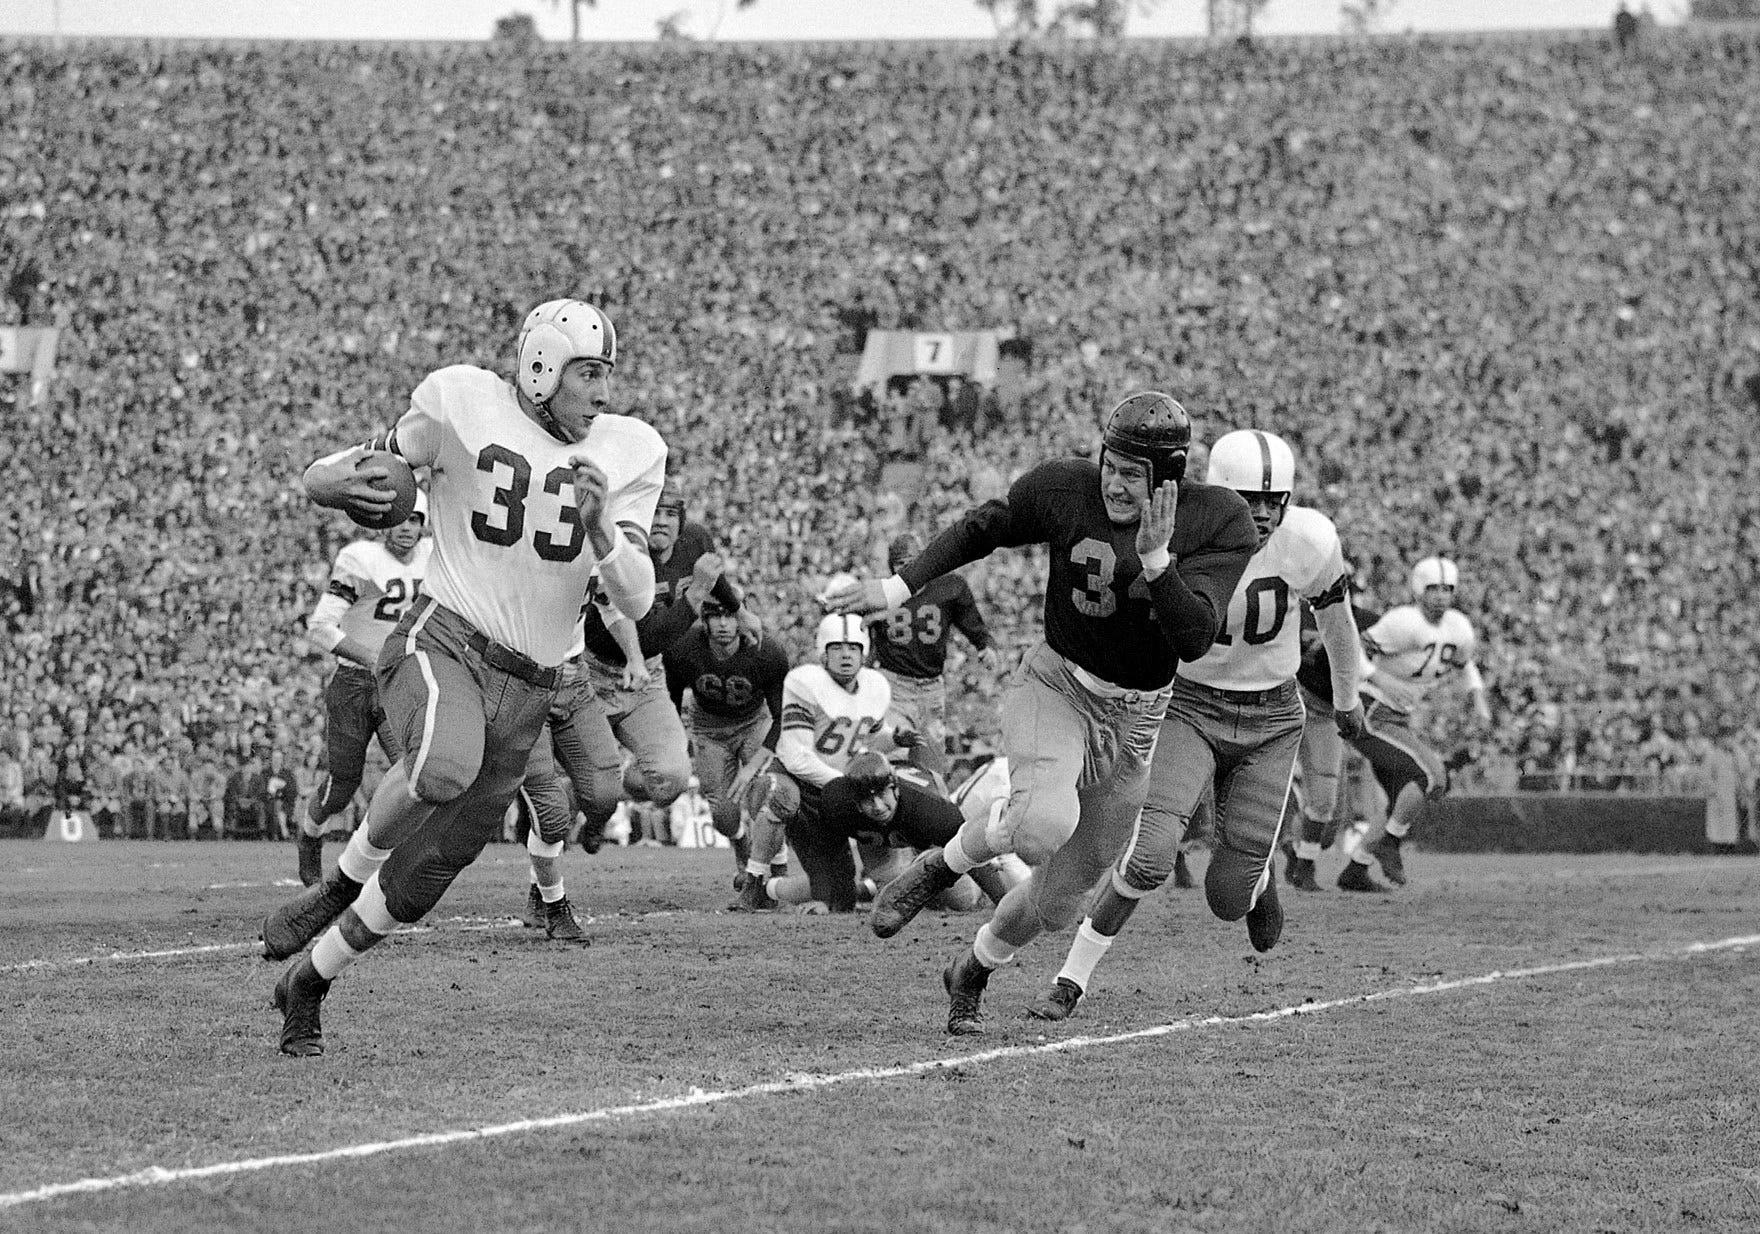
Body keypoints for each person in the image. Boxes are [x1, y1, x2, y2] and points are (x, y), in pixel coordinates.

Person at [261, 297, 665, 1057]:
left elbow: (638, 598)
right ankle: (340, 881)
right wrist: (329, 487)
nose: (603, 392)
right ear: (542, 368)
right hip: (446, 638)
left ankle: (310, 980)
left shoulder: (633, 448)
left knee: (426, 876)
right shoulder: (462, 400)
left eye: (606, 374)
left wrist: (603, 528)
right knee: (443, 765)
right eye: (588, 373)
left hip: (534, 684)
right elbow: (335, 468)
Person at [828, 391, 1257, 1035]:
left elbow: (1194, 637)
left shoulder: (1218, 521)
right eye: (1110, 465)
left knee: (1057, 905)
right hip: (1057, 685)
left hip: (1138, 721)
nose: (1113, 483)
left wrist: (1158, 559)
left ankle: (972, 968)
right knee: (1038, 827)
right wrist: (896, 587)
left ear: (1168, 476)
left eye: (1132, 473)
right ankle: (943, 864)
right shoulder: (1066, 488)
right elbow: (984, 527)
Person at [1029, 429, 1368, 1021]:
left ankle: (1259, 881)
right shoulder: (1176, 531)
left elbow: (1338, 626)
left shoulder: (1310, 540)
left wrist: (1346, 697)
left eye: (1273, 501)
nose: (1262, 514)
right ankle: (1071, 978)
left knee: (1227, 896)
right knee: (1150, 855)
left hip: (1272, 719)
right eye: (1248, 500)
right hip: (1188, 705)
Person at [731, 612, 911, 910]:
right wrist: (846, 783)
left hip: (836, 793)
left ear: (864, 653)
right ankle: (753, 879)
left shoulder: (874, 686)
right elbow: (797, 757)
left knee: (839, 898)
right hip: (797, 784)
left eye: (853, 648)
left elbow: (869, 737)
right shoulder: (805, 682)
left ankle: (771, 889)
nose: (846, 655)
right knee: (781, 795)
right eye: (837, 648)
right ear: (823, 653)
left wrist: (895, 739)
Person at [295, 494, 431, 885]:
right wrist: (373, 657)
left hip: (398, 683)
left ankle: (389, 863)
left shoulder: (434, 556)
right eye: (400, 519)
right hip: (354, 682)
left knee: (411, 775)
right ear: (383, 523)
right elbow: (320, 627)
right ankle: (310, 835)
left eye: (415, 519)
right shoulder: (360, 558)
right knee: (342, 786)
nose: (406, 527)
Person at [1336, 556, 1493, 893]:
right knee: (1432, 776)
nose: (1441, 596)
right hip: (1371, 709)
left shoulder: (1458, 627)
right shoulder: (1403, 622)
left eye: (1447, 589)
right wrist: (1376, 675)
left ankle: (1356, 869)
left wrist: (1478, 697)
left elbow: (1465, 664)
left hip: (1397, 716)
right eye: (1433, 588)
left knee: (1404, 796)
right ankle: (1390, 843)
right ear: (1419, 590)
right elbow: (1350, 647)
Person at [776, 749, 1015, 914]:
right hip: (878, 838)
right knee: (892, 897)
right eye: (867, 800)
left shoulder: (929, 811)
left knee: (961, 900)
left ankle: (936, 870)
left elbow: (969, 851)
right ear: (854, 800)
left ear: (895, 789)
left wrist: (1004, 906)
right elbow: (831, 854)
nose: (878, 807)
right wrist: (829, 900)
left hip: (927, 829)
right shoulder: (837, 802)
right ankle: (877, 887)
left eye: (882, 794)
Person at [664, 592, 791, 889]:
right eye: (715, 616)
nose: (723, 624)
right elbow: (670, 700)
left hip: (754, 722)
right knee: (722, 813)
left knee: (766, 791)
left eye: (730, 616)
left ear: (742, 618)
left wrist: (753, 766)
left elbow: (782, 718)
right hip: (708, 728)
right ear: (704, 620)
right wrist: (676, 738)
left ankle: (779, 865)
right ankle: (741, 842)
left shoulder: (767, 651)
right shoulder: (684, 648)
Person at [866, 531, 997, 781]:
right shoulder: (880, 593)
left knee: (932, 770)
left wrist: (984, 645)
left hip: (931, 691)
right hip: (894, 688)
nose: (908, 570)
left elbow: (971, 621)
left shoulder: (950, 587)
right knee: (890, 761)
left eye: (913, 562)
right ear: (891, 567)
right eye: (901, 564)